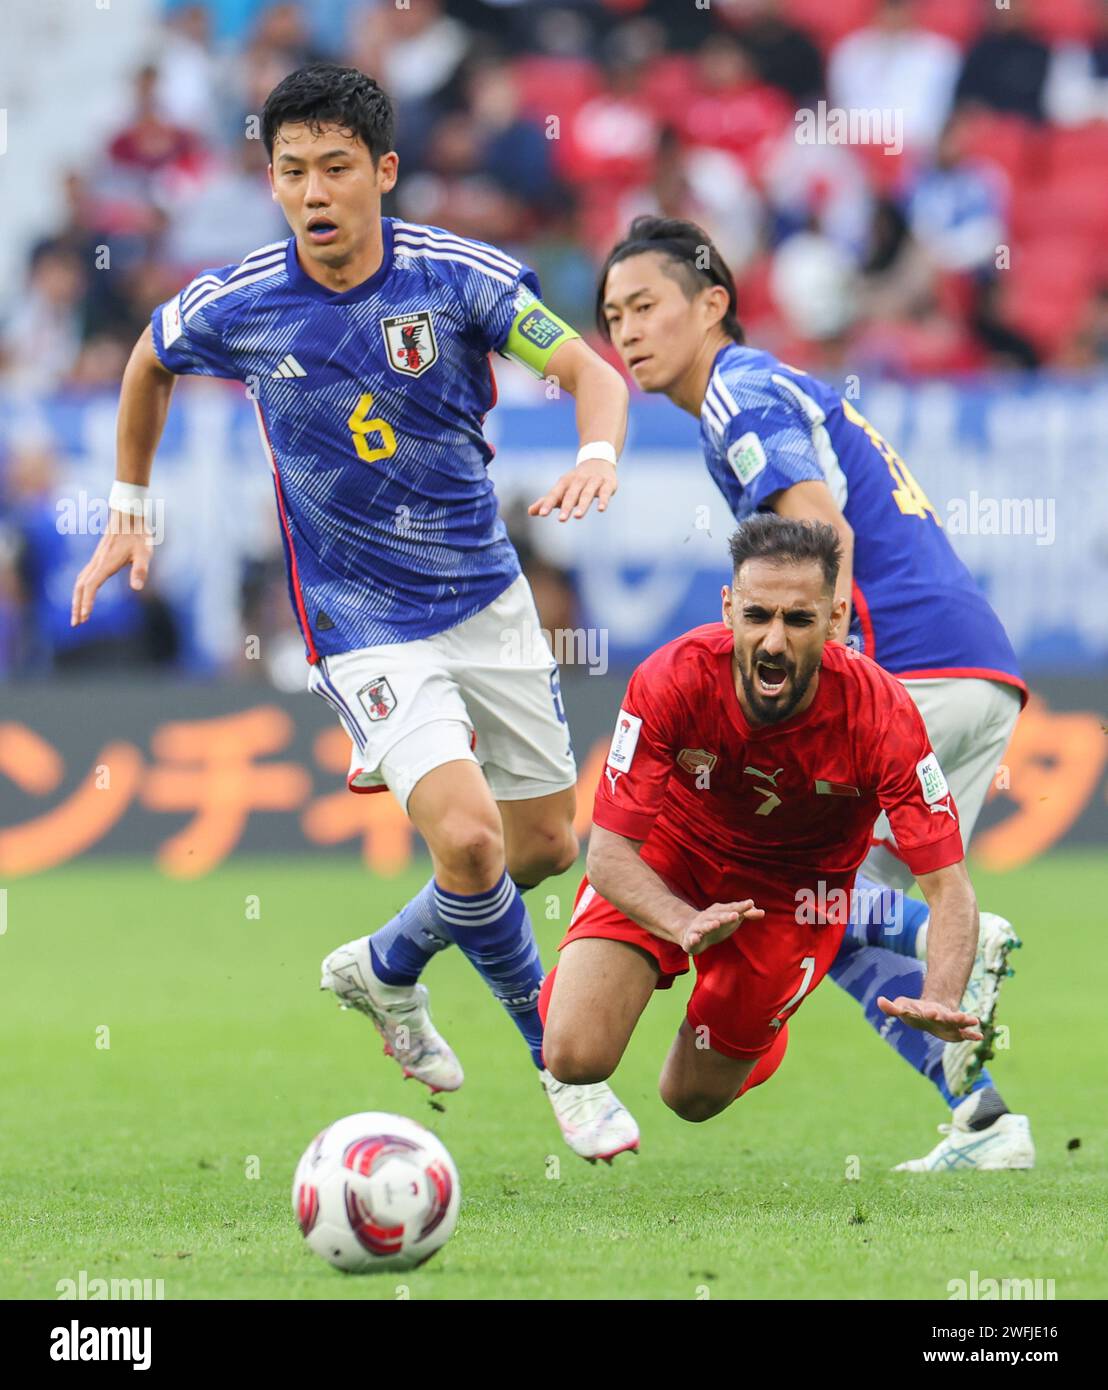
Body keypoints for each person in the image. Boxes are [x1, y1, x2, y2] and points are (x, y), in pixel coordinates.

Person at [70, 63, 638, 1163]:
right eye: (291, 171)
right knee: (468, 841)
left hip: (486, 598)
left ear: (382, 171)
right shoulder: (238, 301)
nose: (314, 190)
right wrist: (129, 506)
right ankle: (557, 1067)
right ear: (271, 180)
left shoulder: (455, 280)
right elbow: (148, 359)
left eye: (336, 167)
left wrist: (597, 451)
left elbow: (588, 371)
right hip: (359, 619)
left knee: (539, 850)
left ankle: (382, 965)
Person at [596, 216, 1033, 1171]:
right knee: (830, 926)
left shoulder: (738, 395)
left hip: (905, 669)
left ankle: (952, 932)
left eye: (646, 305)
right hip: (972, 668)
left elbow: (819, 528)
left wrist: (833, 690)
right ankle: (984, 1119)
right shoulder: (772, 387)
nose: (625, 331)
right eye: (611, 314)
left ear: (713, 304)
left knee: (813, 901)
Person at [542, 516, 989, 1132]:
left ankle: (759, 1036)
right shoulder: (671, 678)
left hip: (790, 897)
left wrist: (940, 995)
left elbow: (949, 885)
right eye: (758, 616)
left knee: (689, 1099)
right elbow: (610, 853)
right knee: (573, 1056)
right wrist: (681, 921)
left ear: (834, 621)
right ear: (729, 609)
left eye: (798, 620)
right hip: (670, 857)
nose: (774, 642)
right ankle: (585, 983)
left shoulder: (882, 714)